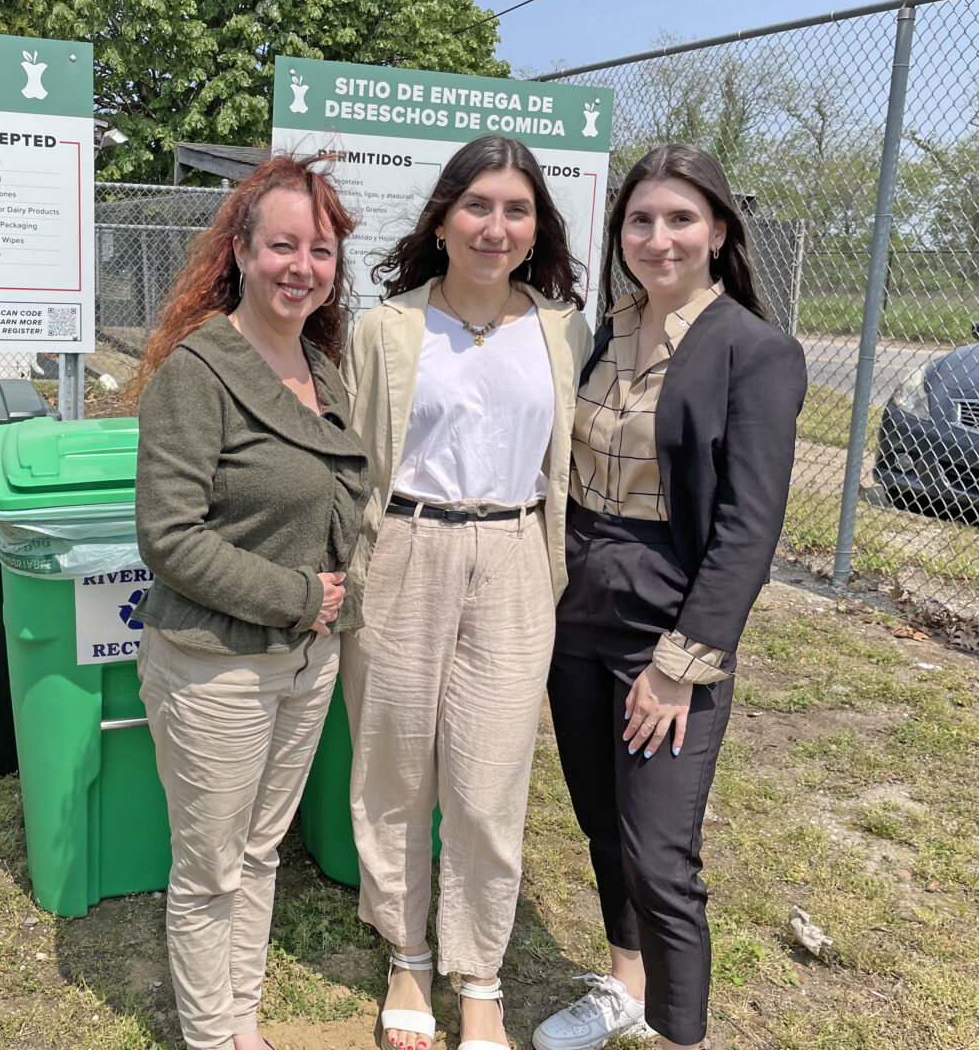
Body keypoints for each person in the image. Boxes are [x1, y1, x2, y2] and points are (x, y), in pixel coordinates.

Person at [532, 144, 807, 1050]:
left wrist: (681, 666)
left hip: (668, 615)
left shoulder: (755, 352)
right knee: (599, 817)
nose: (659, 238)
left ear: (719, 231)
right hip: (578, 603)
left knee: (661, 852)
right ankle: (625, 984)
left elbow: (746, 531)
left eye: (681, 219)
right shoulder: (596, 335)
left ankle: (680, 1032)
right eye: (640, 220)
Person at [339, 135, 594, 1050]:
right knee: (395, 768)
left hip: (519, 555)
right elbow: (351, 463)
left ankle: (479, 975)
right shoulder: (386, 329)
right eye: (477, 205)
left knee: (489, 784)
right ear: (443, 218)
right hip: (405, 548)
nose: (495, 226)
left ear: (537, 229)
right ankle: (408, 955)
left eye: (516, 209)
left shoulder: (565, 330)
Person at [131, 154, 370, 1050]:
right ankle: (211, 1035)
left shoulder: (321, 367)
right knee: (208, 870)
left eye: (320, 249)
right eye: (282, 245)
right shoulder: (200, 373)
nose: (301, 266)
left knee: (259, 852)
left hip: (305, 664)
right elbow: (170, 536)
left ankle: (243, 1023)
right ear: (239, 250)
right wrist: (301, 595)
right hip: (216, 665)